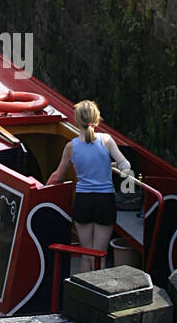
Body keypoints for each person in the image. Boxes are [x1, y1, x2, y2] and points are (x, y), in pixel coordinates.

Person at [46, 100, 132, 272]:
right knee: (99, 254)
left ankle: (82, 293)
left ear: (76, 121)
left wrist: (43, 188)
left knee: (86, 254)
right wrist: (111, 168)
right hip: (105, 201)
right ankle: (98, 295)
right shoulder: (107, 140)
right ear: (97, 119)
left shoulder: (71, 147)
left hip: (83, 201)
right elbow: (126, 166)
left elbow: (58, 175)